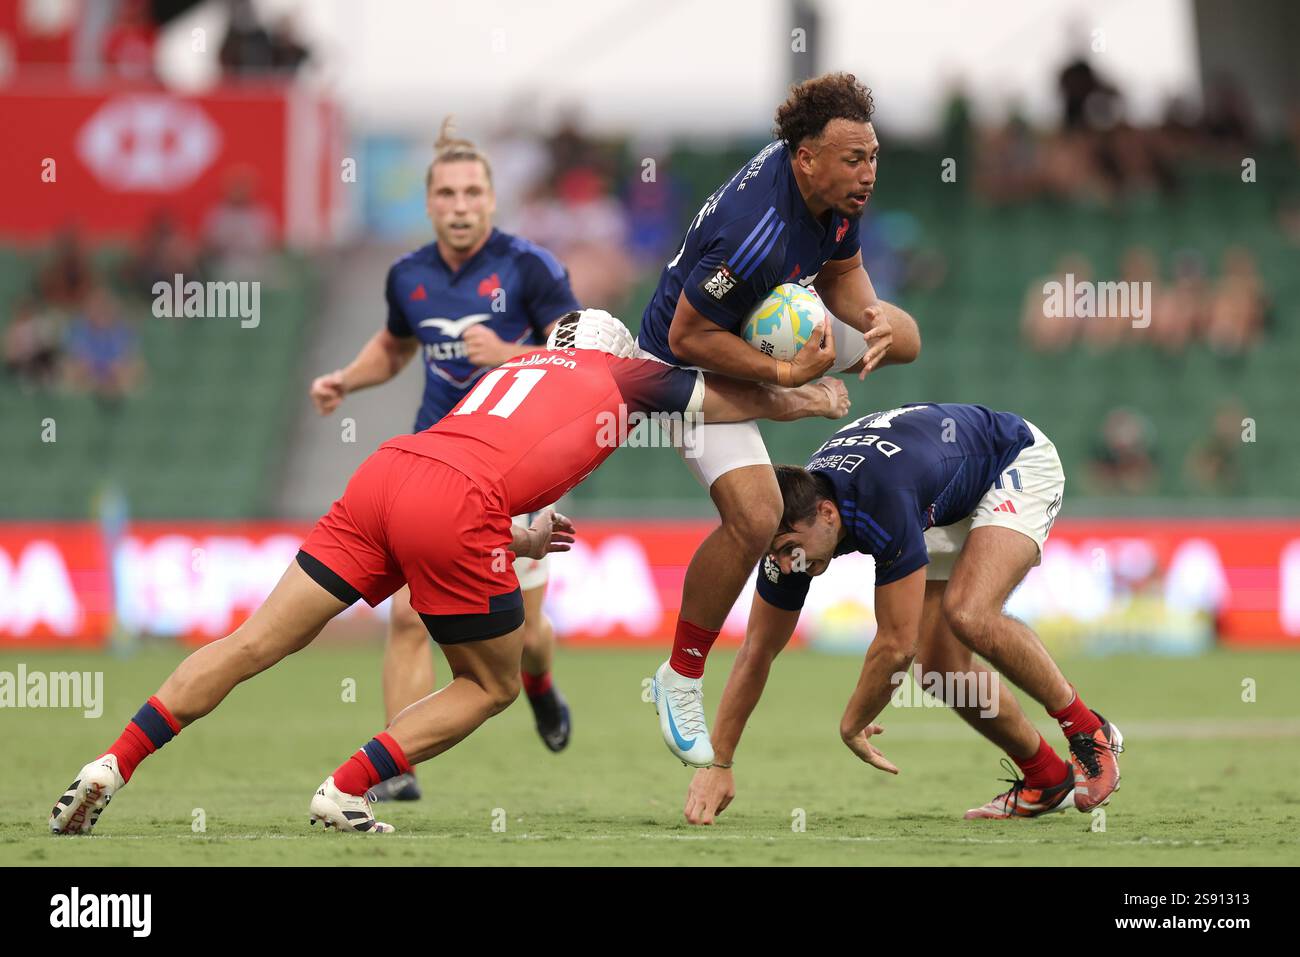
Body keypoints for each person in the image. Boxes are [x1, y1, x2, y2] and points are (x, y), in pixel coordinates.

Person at [50, 310, 851, 836]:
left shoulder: (512, 368)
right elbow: (734, 401)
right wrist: (810, 395)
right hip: (458, 503)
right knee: (490, 684)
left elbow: (474, 462)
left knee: (256, 639)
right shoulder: (625, 374)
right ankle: (346, 784)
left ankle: (111, 761)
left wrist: (520, 537)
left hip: (391, 472)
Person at [634, 72, 921, 767]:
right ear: (805, 158)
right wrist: (790, 378)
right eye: (854, 158)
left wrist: (873, 320)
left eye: (874, 155)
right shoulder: (753, 231)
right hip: (682, 364)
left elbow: (843, 271)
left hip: (760, 332)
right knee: (757, 514)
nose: (868, 171)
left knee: (907, 340)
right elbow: (686, 336)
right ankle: (680, 675)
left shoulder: (836, 195)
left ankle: (808, 383)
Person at [309, 120, 582, 799]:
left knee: (527, 637)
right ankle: (396, 767)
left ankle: (541, 684)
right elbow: (397, 346)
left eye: (472, 192)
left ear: (493, 200)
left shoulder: (531, 268)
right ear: (429, 203)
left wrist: (511, 357)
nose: (460, 205)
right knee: (405, 615)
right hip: (431, 469)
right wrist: (347, 377)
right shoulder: (409, 275)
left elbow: (584, 358)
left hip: (517, 474)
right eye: (447, 193)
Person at [683, 403, 1123, 825]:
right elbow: (757, 650)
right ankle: (1046, 778)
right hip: (937, 490)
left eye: (786, 550)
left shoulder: (879, 500)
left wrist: (852, 723)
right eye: (773, 553)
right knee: (939, 669)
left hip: (1010, 460)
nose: (784, 564)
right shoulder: (793, 533)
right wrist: (718, 760)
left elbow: (896, 645)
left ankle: (1088, 729)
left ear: (828, 514)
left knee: (969, 614)